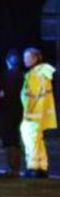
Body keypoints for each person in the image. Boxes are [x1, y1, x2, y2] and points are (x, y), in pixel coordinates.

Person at [20, 47, 57, 179]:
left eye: (27, 57)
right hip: (41, 115)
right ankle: (42, 167)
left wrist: (27, 113)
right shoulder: (43, 74)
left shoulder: (34, 75)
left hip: (32, 115)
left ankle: (33, 168)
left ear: (35, 58)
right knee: (38, 142)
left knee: (31, 142)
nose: (24, 60)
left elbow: (31, 96)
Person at [0, 48, 24, 178]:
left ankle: (12, 170)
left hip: (7, 113)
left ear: (7, 61)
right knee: (15, 142)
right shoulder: (23, 76)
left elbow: (2, 95)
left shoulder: (6, 76)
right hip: (20, 112)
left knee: (9, 142)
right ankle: (15, 169)